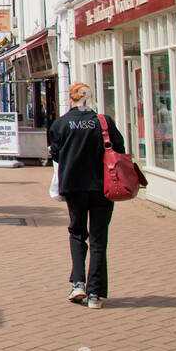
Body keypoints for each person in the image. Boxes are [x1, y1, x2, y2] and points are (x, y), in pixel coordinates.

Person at [48, 82, 125, 309]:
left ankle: (78, 283)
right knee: (99, 239)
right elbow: (119, 150)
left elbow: (56, 155)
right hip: (103, 187)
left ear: (70, 99)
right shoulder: (104, 122)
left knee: (77, 233)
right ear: (89, 99)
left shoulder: (61, 124)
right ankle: (95, 294)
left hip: (74, 187)